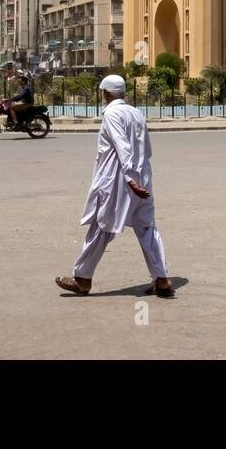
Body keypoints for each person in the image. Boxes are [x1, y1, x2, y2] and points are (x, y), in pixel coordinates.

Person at [55, 74, 173, 298]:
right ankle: (162, 279)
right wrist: (139, 177)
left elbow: (122, 146)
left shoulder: (111, 113)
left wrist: (130, 179)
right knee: (147, 228)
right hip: (142, 178)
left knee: (102, 225)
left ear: (106, 93)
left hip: (120, 181)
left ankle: (82, 278)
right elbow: (147, 149)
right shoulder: (136, 112)